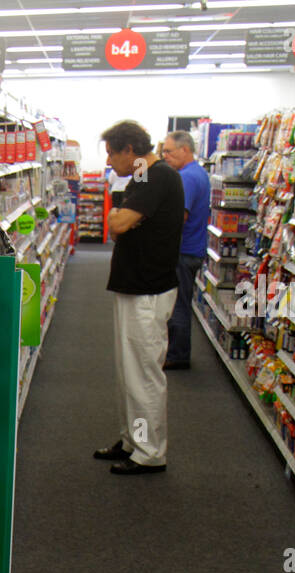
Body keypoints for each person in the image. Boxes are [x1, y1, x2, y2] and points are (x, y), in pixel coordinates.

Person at [92, 120, 184, 476]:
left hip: (148, 290)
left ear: (130, 150)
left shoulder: (157, 175)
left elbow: (116, 224)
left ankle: (147, 451)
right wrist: (121, 216)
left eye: (113, 155)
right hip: (135, 287)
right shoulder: (144, 172)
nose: (110, 162)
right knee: (128, 373)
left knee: (142, 376)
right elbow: (121, 222)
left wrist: (120, 217)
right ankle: (131, 438)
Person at [161, 129, 210, 370]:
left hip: (184, 251)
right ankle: (177, 351)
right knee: (180, 301)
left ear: (185, 149)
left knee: (178, 304)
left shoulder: (187, 177)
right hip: (193, 248)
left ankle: (178, 355)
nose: (165, 156)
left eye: (169, 151)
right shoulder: (197, 172)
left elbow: (178, 216)